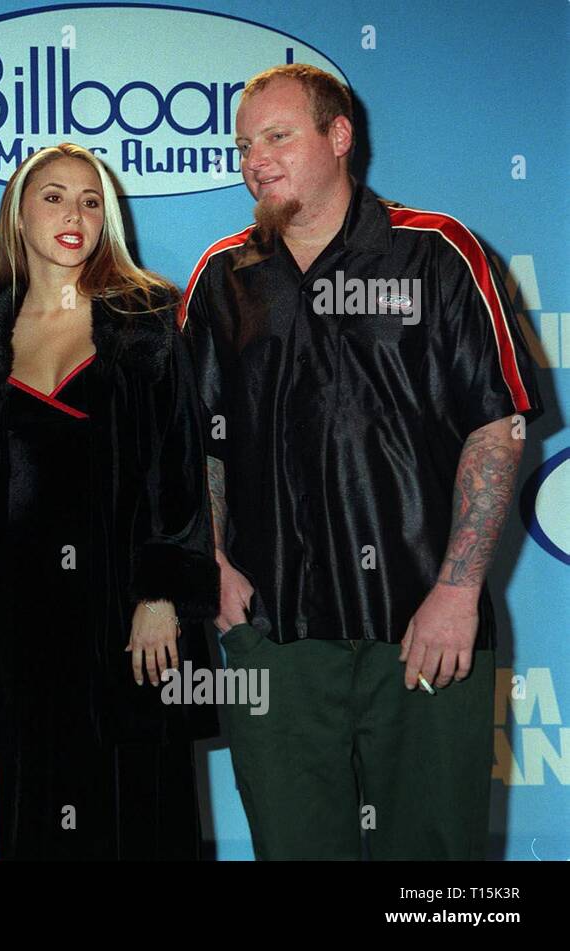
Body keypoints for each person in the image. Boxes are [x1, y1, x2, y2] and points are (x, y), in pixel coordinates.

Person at [179, 64, 543, 860]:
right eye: (245, 144)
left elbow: (495, 427)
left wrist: (457, 590)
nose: (256, 160)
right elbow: (195, 438)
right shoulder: (222, 276)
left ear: (338, 137)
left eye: (278, 137)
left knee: (434, 868)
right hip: (276, 634)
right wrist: (210, 561)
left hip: (423, 627)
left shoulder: (437, 253)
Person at [0, 143, 219, 860]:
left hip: (129, 614)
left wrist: (164, 591)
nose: (74, 214)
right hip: (26, 621)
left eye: (90, 199)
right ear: (17, 212)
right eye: (53, 196)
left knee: (140, 807)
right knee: (41, 812)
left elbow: (180, 461)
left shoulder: (146, 313)